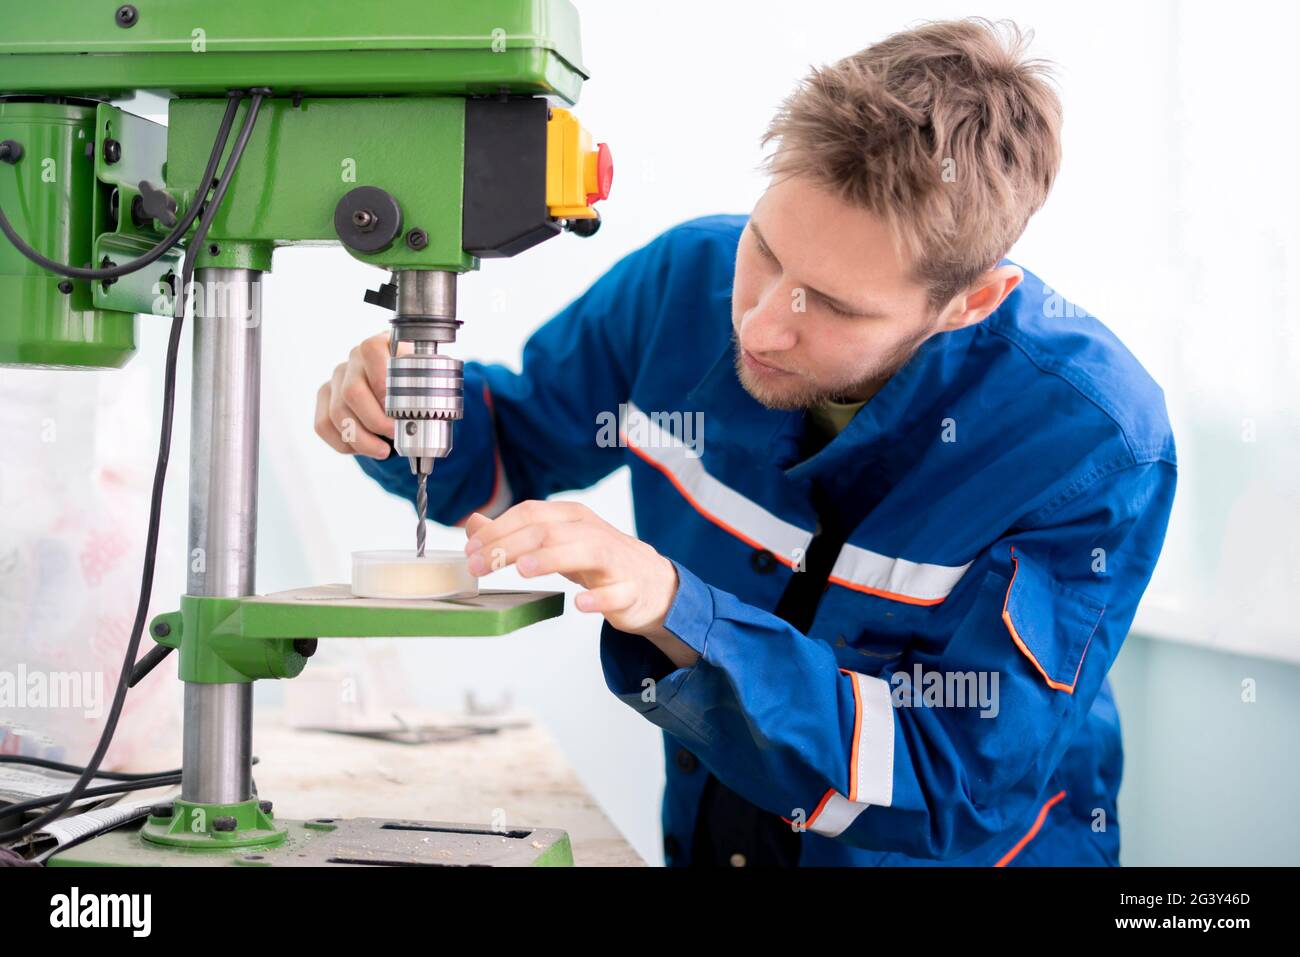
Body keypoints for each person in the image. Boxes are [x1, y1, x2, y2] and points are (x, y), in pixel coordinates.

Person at [314, 18, 1176, 866]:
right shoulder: (680, 285)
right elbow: (510, 450)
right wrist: (406, 414)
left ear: (969, 303)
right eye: (763, 249)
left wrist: (675, 606)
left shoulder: (1093, 445)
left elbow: (951, 780)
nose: (760, 328)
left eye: (835, 307)